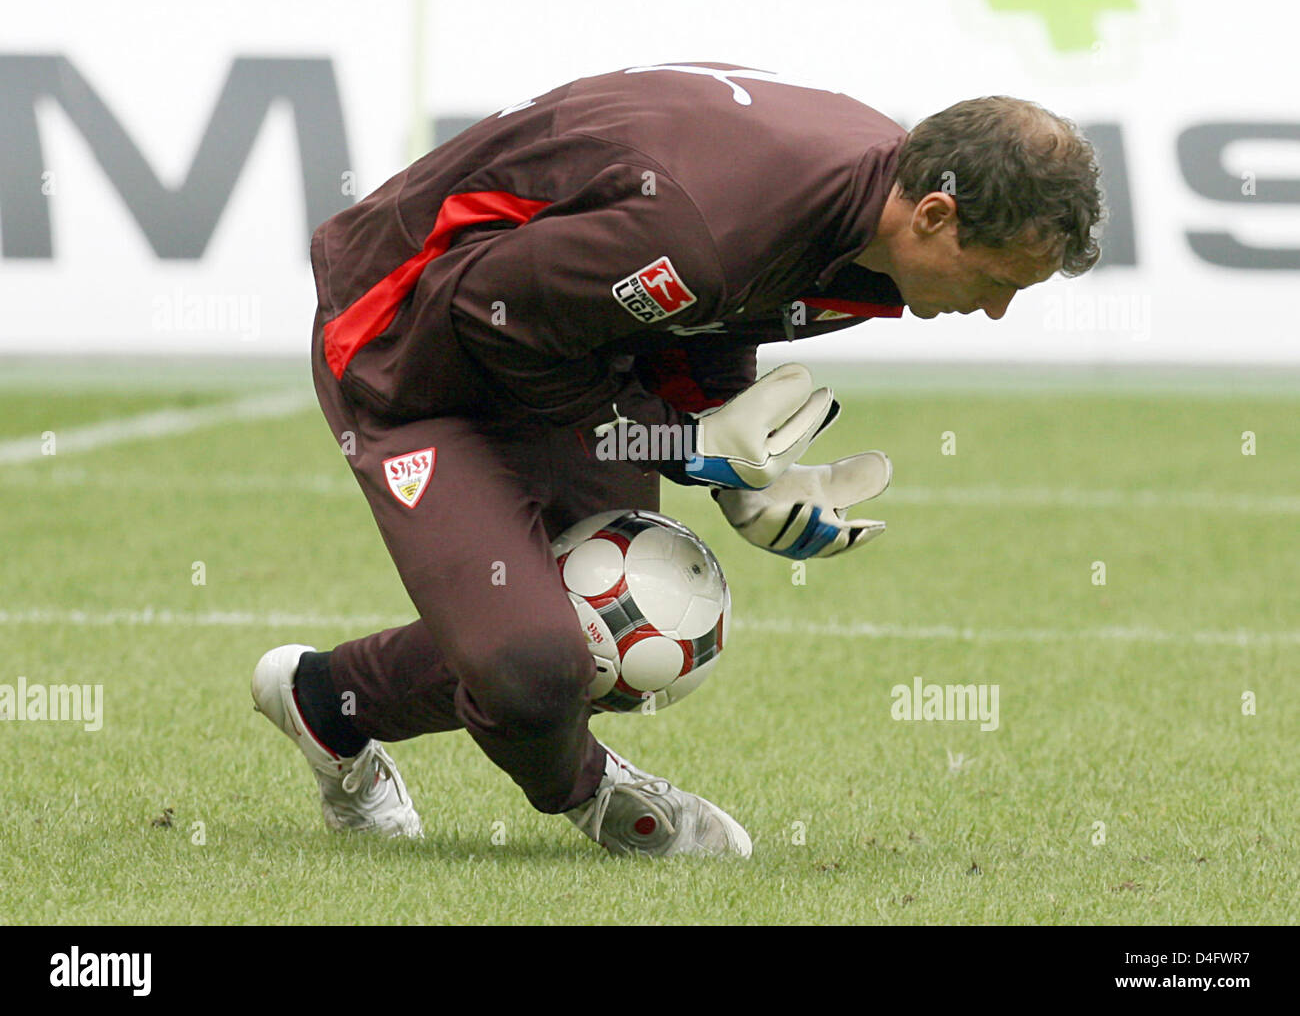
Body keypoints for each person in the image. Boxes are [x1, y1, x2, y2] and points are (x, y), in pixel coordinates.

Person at [251, 62, 1104, 858]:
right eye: (999, 280)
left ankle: (325, 701)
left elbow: (723, 313)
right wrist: (683, 448)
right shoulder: (703, 227)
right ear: (936, 217)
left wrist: (731, 455)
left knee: (623, 619)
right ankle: (592, 791)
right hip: (409, 335)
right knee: (541, 661)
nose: (994, 311)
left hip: (566, 344)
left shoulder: (871, 208)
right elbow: (489, 315)